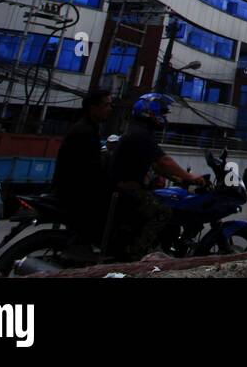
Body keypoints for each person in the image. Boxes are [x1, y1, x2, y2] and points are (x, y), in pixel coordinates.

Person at [107, 93, 205, 259]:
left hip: (128, 188)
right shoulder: (140, 134)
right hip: (127, 190)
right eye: (162, 112)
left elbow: (156, 165)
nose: (164, 117)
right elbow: (164, 161)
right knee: (163, 212)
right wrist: (189, 176)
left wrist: (178, 179)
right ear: (150, 113)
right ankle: (139, 253)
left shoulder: (139, 132)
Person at [52, 88, 113, 244]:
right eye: (106, 105)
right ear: (93, 107)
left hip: (75, 190)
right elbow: (91, 169)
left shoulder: (90, 128)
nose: (109, 109)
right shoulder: (84, 131)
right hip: (77, 194)